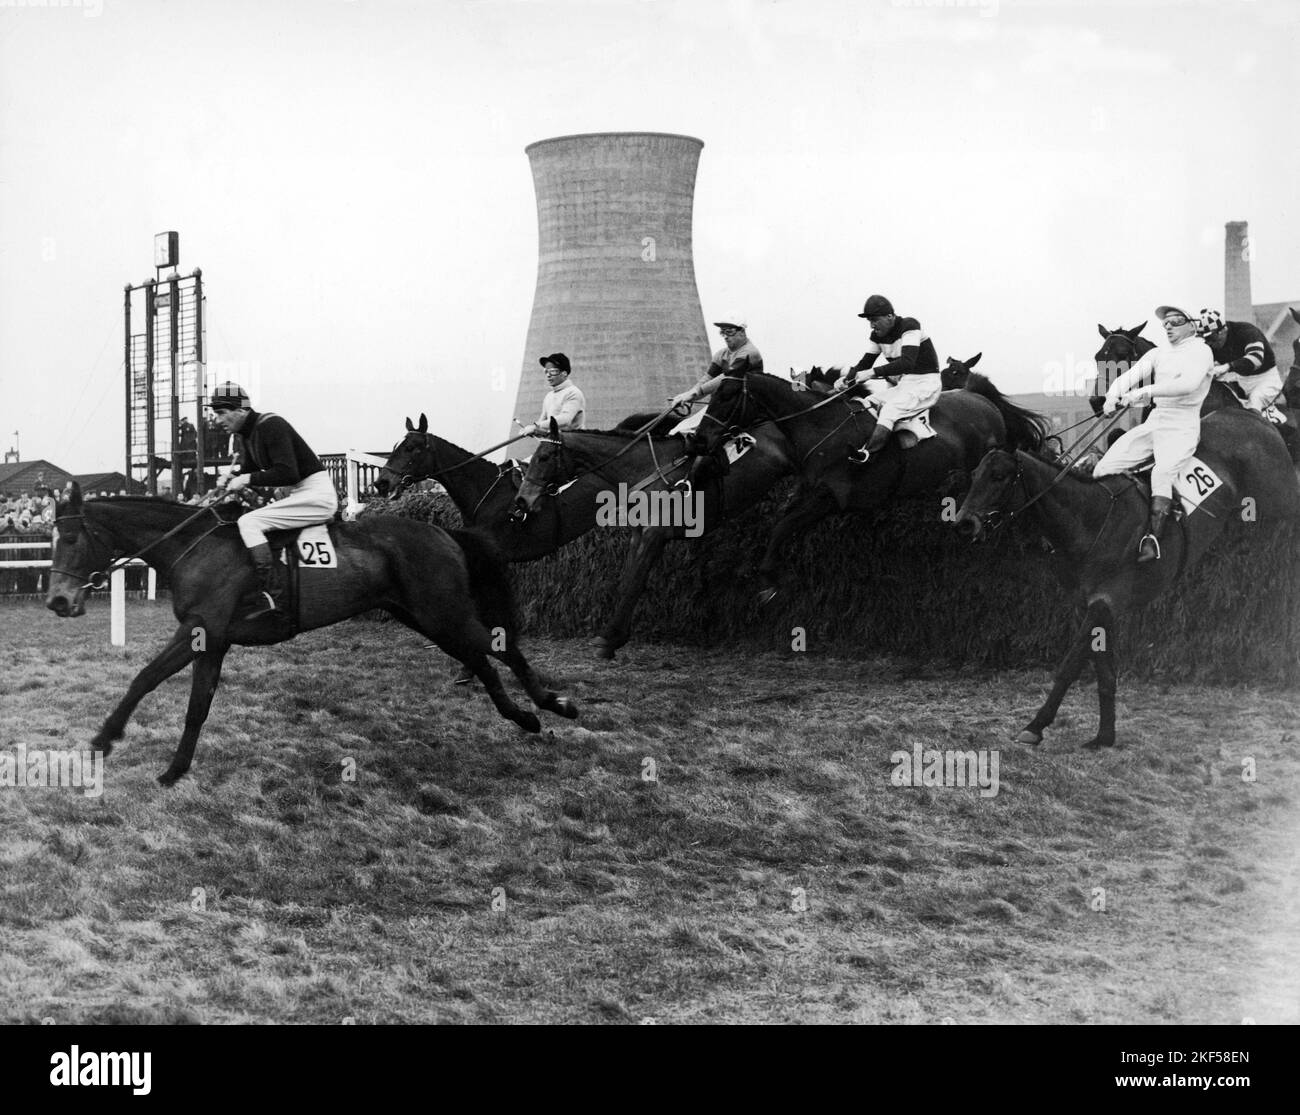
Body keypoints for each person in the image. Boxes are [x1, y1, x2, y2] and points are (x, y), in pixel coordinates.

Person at [1093, 305, 1214, 562]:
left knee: (1161, 473)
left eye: (1175, 321)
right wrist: (1113, 395)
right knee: (1104, 467)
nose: (1168, 326)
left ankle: (1153, 540)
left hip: (1183, 425)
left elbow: (1188, 384)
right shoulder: (1158, 354)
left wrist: (1144, 392)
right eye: (1166, 323)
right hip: (1156, 421)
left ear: (1191, 325)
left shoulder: (1201, 351)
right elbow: (1129, 375)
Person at [209, 381, 338, 619]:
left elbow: (288, 472)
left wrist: (246, 478)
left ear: (241, 410)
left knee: (249, 523)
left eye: (221, 413)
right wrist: (230, 478)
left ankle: (273, 596)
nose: (217, 420)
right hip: (301, 495)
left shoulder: (271, 425)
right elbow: (250, 472)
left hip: (316, 494)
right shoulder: (247, 435)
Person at [836, 294, 942, 463]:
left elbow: (907, 362)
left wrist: (871, 373)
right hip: (905, 384)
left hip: (927, 383)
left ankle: (868, 455)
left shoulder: (910, 326)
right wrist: (846, 379)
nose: (872, 325)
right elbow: (865, 363)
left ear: (890, 316)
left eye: (875, 320)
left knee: (890, 410)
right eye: (869, 321)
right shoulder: (877, 336)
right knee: (866, 403)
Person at [668, 317, 764, 433]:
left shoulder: (749, 353)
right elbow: (707, 378)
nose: (726, 336)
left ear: (742, 332)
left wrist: (693, 394)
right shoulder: (721, 354)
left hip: (744, 406)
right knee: (682, 429)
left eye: (729, 332)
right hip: (726, 404)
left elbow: (726, 378)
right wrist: (687, 395)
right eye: (722, 332)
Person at [1196, 308, 1281, 415]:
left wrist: (1227, 367)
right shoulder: (1212, 344)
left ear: (1223, 330)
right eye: (1205, 340)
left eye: (1211, 338)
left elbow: (1255, 359)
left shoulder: (1247, 331)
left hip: (1266, 380)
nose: (1209, 344)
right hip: (1240, 381)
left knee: (1256, 399)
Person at [520, 353, 585, 436]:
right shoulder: (549, 396)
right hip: (555, 443)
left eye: (553, 371)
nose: (548, 375)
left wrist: (535, 427)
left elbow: (565, 420)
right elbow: (542, 422)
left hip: (572, 444)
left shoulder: (573, 392)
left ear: (564, 373)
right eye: (546, 371)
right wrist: (534, 430)